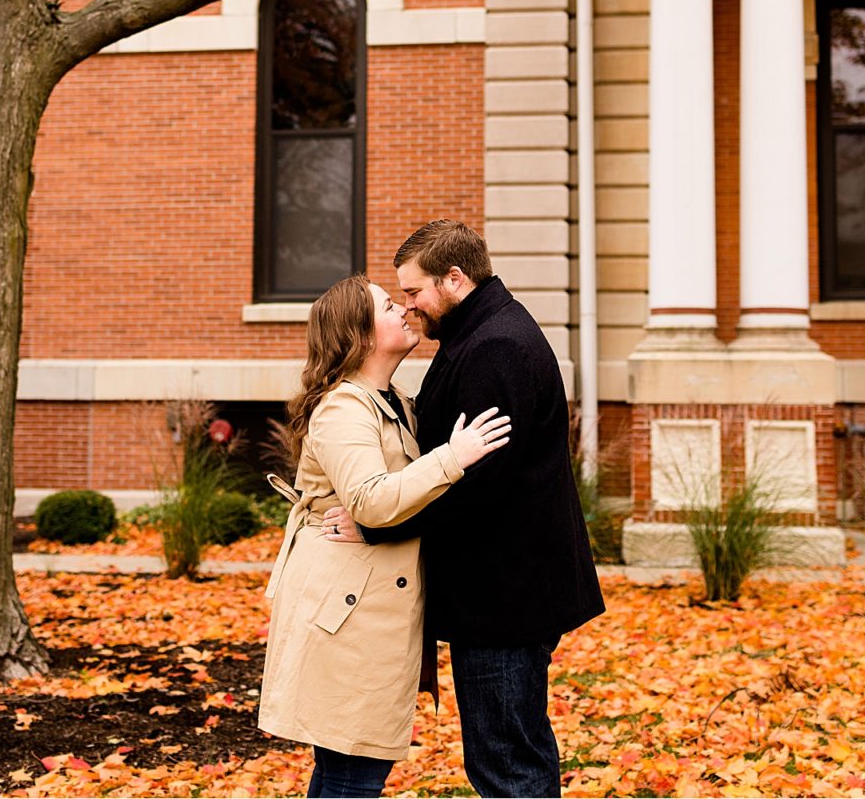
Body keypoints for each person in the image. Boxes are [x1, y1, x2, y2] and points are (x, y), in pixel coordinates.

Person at [332, 220, 606, 797]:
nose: (410, 308)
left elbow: (479, 486)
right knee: (509, 755)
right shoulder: (481, 335)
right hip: (504, 592)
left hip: (506, 597)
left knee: (507, 765)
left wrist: (376, 526)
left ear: (454, 279)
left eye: (414, 292)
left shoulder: (497, 347)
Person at [258, 273, 513, 798]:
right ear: (360, 334)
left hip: (361, 608)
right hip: (347, 618)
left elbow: (382, 502)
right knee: (353, 773)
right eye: (385, 305)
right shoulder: (344, 408)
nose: (403, 309)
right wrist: (454, 457)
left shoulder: (392, 400)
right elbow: (372, 498)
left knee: (344, 770)